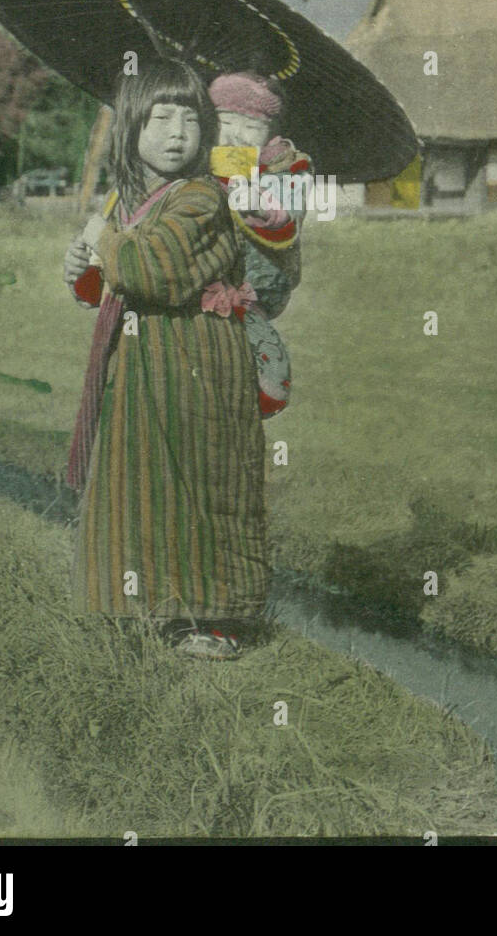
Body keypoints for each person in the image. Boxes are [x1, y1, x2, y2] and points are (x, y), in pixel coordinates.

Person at [63, 59, 267, 661]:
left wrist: (103, 243)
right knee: (147, 482)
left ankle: (222, 621)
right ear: (132, 126)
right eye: (161, 117)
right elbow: (115, 284)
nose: (178, 133)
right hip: (145, 361)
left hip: (200, 363)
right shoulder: (131, 201)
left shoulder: (203, 198)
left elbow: (154, 271)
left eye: (190, 119)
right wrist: (83, 271)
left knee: (206, 484)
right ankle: (152, 607)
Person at [207, 72, 313, 417]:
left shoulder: (284, 164)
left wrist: (264, 206)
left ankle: (268, 386)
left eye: (251, 127)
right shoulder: (201, 158)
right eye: (226, 121)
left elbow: (291, 209)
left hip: (259, 277)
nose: (237, 133)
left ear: (271, 131)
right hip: (206, 273)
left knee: (255, 341)